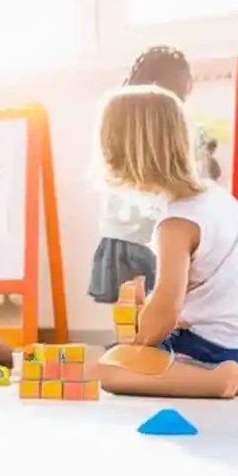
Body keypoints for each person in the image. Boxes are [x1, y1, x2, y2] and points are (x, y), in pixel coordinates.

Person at [94, 86, 238, 398]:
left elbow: (164, 312)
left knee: (106, 367)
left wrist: (136, 344)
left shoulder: (176, 222)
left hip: (208, 354)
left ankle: (219, 382)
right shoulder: (218, 200)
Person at [90, 46, 217, 306]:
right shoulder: (177, 126)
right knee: (164, 304)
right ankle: (144, 341)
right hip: (153, 235)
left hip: (126, 235)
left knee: (132, 311)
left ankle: (134, 343)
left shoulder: (118, 116)